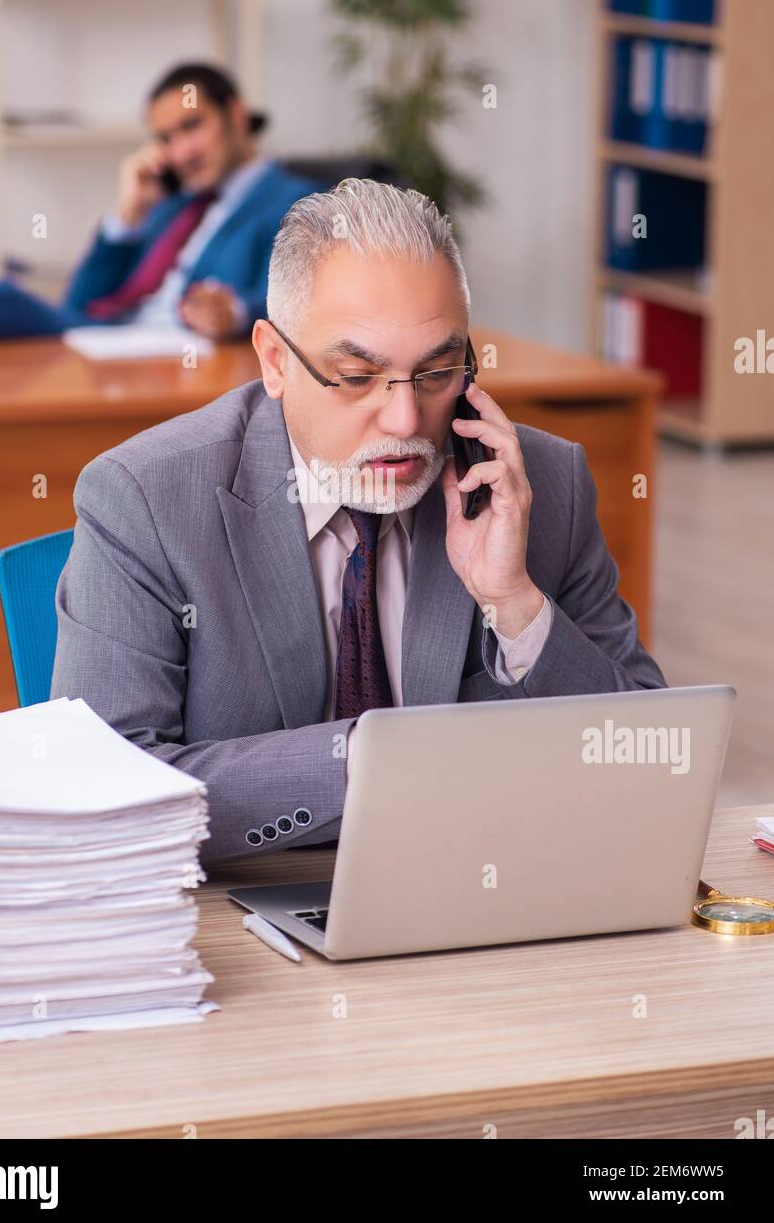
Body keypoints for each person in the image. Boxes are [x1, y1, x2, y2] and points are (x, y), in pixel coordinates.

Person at [50, 178, 666, 866]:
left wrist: (513, 605)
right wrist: (380, 759)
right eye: (356, 375)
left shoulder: (537, 483)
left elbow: (646, 758)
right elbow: (106, 790)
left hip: (478, 896)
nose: (404, 421)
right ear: (275, 360)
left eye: (436, 373)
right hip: (239, 917)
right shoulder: (144, 499)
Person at [0, 64, 320, 343]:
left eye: (192, 126)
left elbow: (310, 301)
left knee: (7, 298)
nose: (181, 152)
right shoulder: (172, 205)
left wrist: (234, 311)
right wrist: (129, 215)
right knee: (3, 300)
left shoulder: (297, 201)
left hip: (175, 352)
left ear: (236, 114)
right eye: (165, 139)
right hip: (112, 343)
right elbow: (78, 302)